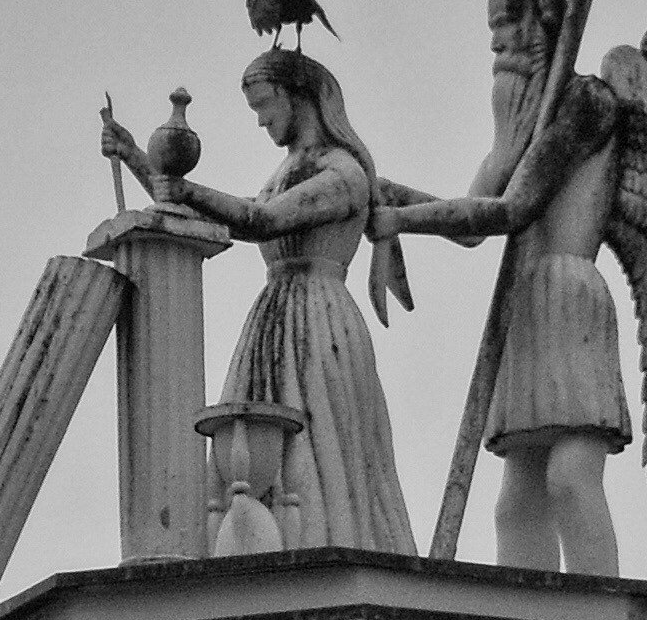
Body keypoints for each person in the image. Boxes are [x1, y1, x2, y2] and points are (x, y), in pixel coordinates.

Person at [101, 51, 417, 556]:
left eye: (265, 104)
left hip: (319, 320)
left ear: (300, 95)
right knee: (248, 453)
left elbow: (260, 220)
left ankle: (324, 551)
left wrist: (185, 187)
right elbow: (210, 215)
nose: (261, 119)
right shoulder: (286, 170)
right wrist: (139, 158)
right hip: (274, 316)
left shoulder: (343, 172)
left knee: (317, 453)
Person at [374, 0, 629, 575]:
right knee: (516, 499)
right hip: (524, 303)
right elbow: (470, 225)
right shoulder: (519, 126)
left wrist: (401, 219)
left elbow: (511, 211)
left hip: (569, 294)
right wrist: (388, 197)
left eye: (513, 29)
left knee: (570, 475)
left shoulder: (584, 104)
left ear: (545, 29)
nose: (501, 47)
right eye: (495, 33)